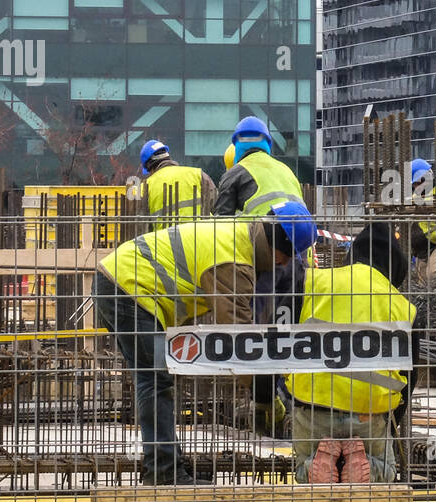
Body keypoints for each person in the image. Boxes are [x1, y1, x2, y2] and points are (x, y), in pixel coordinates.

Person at [94, 203, 318, 485]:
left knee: (156, 379)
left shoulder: (239, 237)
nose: (284, 264)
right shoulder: (234, 263)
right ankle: (165, 473)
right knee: (154, 380)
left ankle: (169, 465)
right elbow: (239, 342)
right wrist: (266, 398)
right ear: (277, 244)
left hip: (123, 281)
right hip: (128, 285)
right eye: (286, 255)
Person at [286, 222, 415, 484]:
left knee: (300, 470)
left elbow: (280, 342)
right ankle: (369, 464)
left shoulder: (311, 281)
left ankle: (312, 465)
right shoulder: (403, 306)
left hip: (313, 406)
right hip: (369, 411)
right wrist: (390, 421)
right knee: (387, 472)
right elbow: (410, 375)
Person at [215, 116, 305, 218]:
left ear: (237, 147)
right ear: (268, 145)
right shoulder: (287, 170)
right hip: (300, 230)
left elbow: (221, 221)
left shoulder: (235, 173)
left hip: (263, 232)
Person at [138, 139, 217, 230]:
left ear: (149, 167)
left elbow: (142, 225)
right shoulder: (198, 174)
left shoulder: (145, 186)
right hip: (201, 238)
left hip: (165, 241)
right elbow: (216, 206)